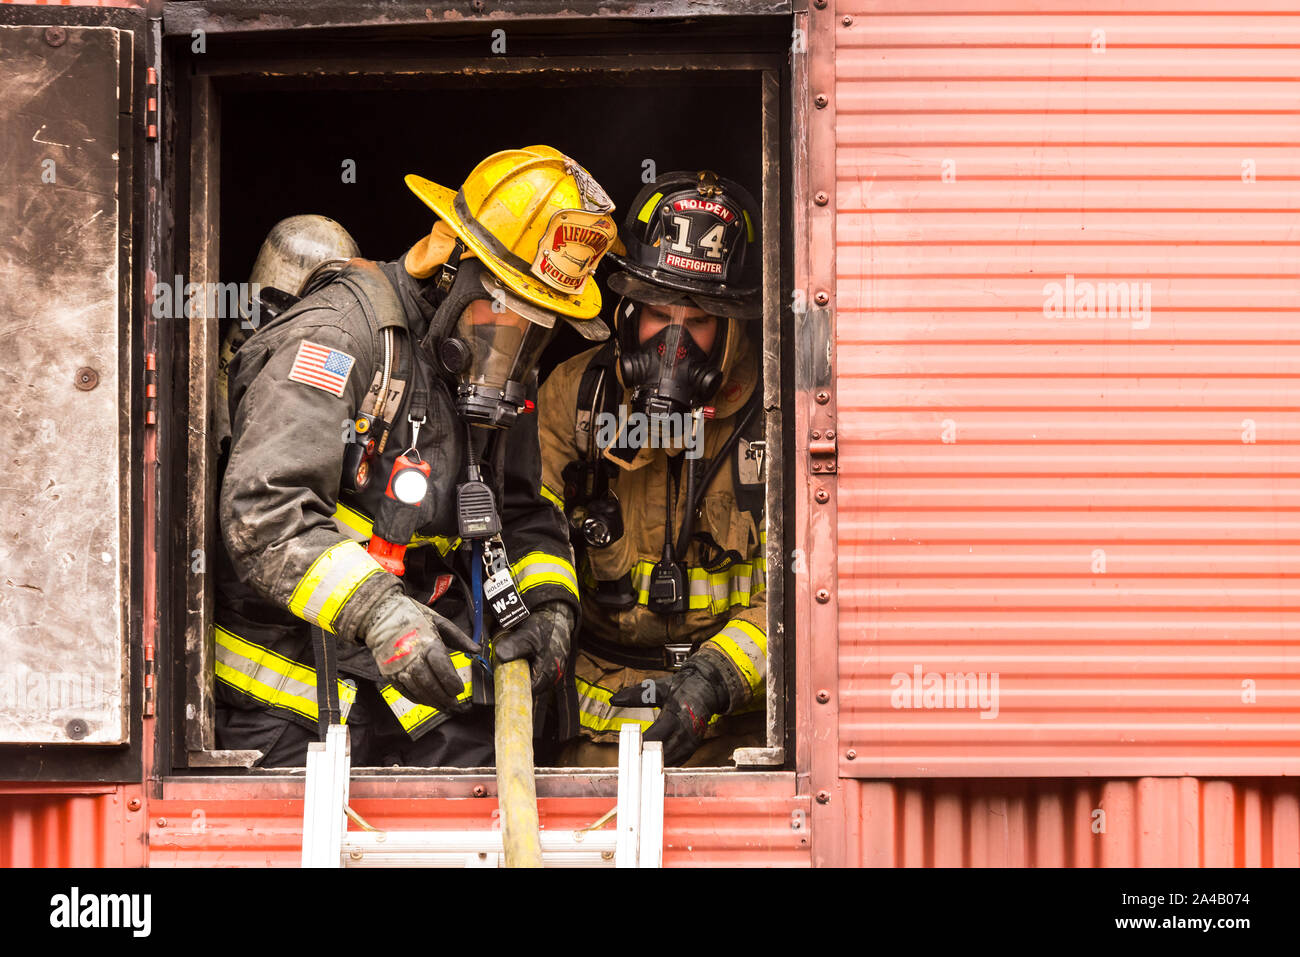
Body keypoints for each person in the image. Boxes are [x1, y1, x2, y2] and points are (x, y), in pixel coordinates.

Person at [214, 146, 618, 767]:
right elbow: (263, 512)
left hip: (415, 684)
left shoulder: (500, 369)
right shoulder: (337, 334)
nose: (515, 343)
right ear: (449, 267)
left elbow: (520, 508)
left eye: (540, 327)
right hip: (292, 692)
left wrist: (551, 607)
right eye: (506, 310)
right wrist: (377, 612)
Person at [538, 169, 768, 767]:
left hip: (734, 724)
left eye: (697, 322)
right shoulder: (577, 395)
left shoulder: (775, 416)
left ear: (730, 332)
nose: (674, 343)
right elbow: (524, 533)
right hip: (596, 724)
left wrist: (718, 676)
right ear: (626, 315)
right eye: (657, 315)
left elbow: (813, 592)